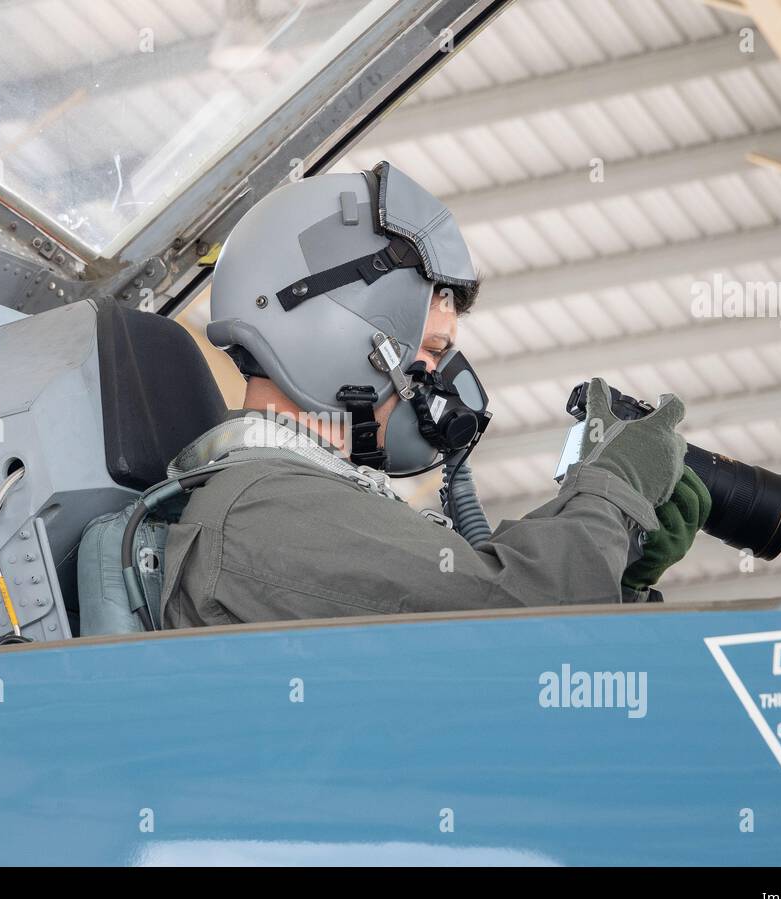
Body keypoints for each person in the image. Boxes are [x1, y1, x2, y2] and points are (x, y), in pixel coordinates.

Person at [159, 162, 708, 628]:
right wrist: (612, 495)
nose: (443, 380)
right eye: (430, 347)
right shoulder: (266, 506)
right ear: (341, 332)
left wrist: (622, 569)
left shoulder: (290, 501)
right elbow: (520, 622)